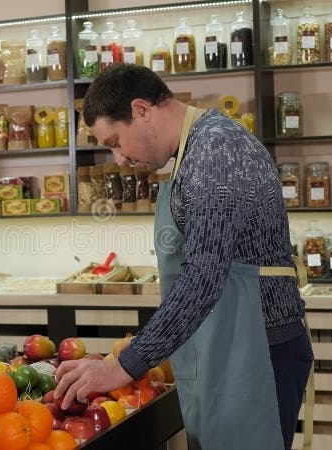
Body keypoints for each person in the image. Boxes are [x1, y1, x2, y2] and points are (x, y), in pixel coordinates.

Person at [54, 64, 313, 450]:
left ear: (141, 110)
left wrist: (120, 366)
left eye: (115, 141)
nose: (120, 158)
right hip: (229, 348)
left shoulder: (216, 151)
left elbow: (202, 277)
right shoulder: (195, 152)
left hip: (256, 353)